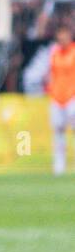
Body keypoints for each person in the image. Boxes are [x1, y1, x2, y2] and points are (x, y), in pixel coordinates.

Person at [47, 24, 75, 174]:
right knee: (58, 131)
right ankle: (59, 167)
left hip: (72, 97)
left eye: (64, 35)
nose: (62, 38)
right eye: (59, 35)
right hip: (57, 97)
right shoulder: (54, 53)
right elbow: (52, 74)